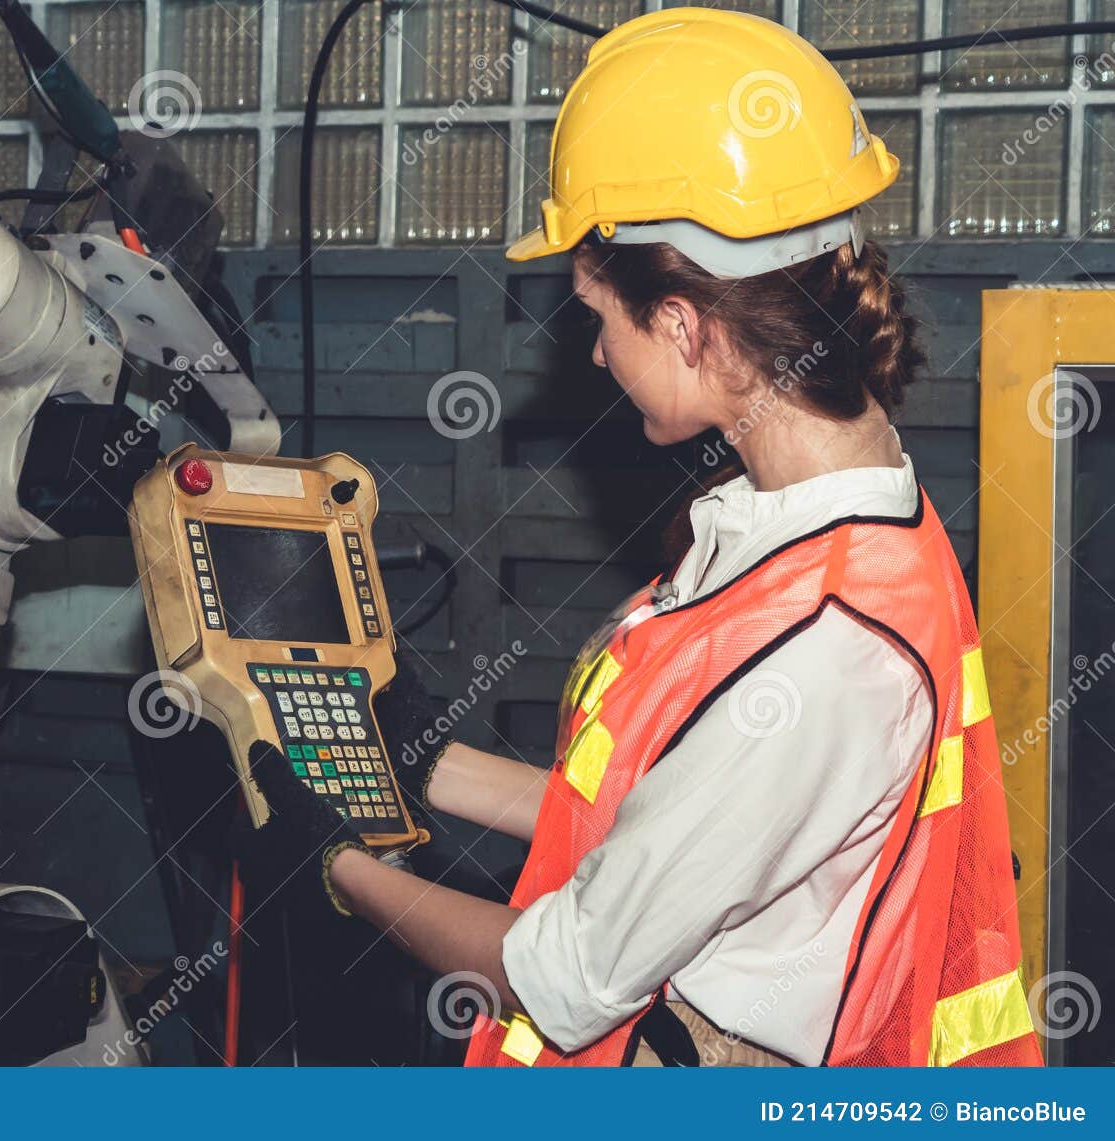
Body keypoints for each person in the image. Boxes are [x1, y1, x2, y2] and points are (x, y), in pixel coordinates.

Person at [238, 8, 1042, 1068]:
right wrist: (433, 764)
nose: (598, 357)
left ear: (678, 322)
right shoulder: (828, 524)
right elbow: (668, 826)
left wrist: (339, 871)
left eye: (595, 318)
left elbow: (556, 975)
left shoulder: (825, 649)